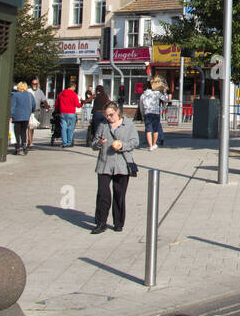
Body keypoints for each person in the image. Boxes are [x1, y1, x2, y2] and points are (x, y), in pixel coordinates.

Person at [90, 100, 138, 234]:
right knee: (103, 194)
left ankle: (118, 222)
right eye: (107, 116)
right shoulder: (103, 125)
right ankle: (100, 222)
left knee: (119, 194)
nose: (109, 118)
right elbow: (93, 144)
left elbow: (135, 141)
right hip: (104, 163)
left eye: (111, 115)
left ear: (117, 112)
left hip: (122, 164)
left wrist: (122, 145)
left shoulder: (128, 124)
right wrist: (99, 143)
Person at [139, 78, 168, 150]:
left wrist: (142, 114)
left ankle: (150, 146)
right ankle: (154, 144)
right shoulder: (157, 93)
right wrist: (165, 92)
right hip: (155, 113)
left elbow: (141, 106)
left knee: (148, 130)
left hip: (147, 113)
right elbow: (165, 99)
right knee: (155, 130)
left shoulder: (143, 95)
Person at [10, 81, 35, 155]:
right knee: (23, 131)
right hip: (26, 116)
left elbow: (12, 107)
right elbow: (33, 105)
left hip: (17, 116)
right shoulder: (30, 95)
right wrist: (31, 111)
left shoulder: (15, 95)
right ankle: (24, 145)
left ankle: (17, 148)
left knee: (16, 133)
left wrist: (11, 116)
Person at [56, 81, 81, 148]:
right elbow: (77, 105)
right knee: (70, 128)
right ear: (72, 87)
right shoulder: (73, 94)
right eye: (74, 87)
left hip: (63, 112)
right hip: (71, 113)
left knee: (63, 128)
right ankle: (69, 142)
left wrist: (57, 110)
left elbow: (57, 104)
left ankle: (64, 142)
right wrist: (81, 103)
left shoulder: (61, 94)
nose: (74, 89)